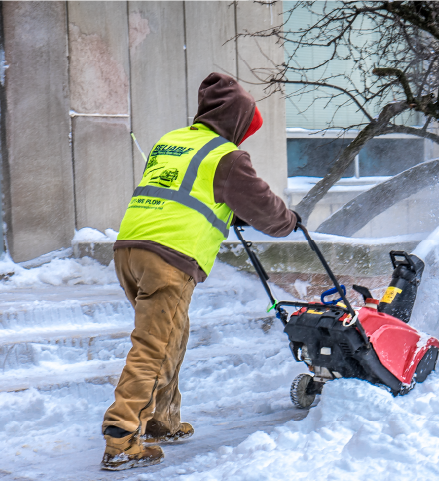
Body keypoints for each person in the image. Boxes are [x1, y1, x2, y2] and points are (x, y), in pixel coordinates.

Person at [100, 72, 299, 471]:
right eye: (247, 128)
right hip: (169, 259)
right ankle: (121, 438)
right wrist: (291, 220)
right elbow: (265, 208)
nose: (245, 137)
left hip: (130, 250)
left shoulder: (171, 141)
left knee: (171, 335)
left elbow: (185, 195)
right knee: (154, 348)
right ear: (237, 120)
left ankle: (162, 421)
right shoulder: (226, 155)